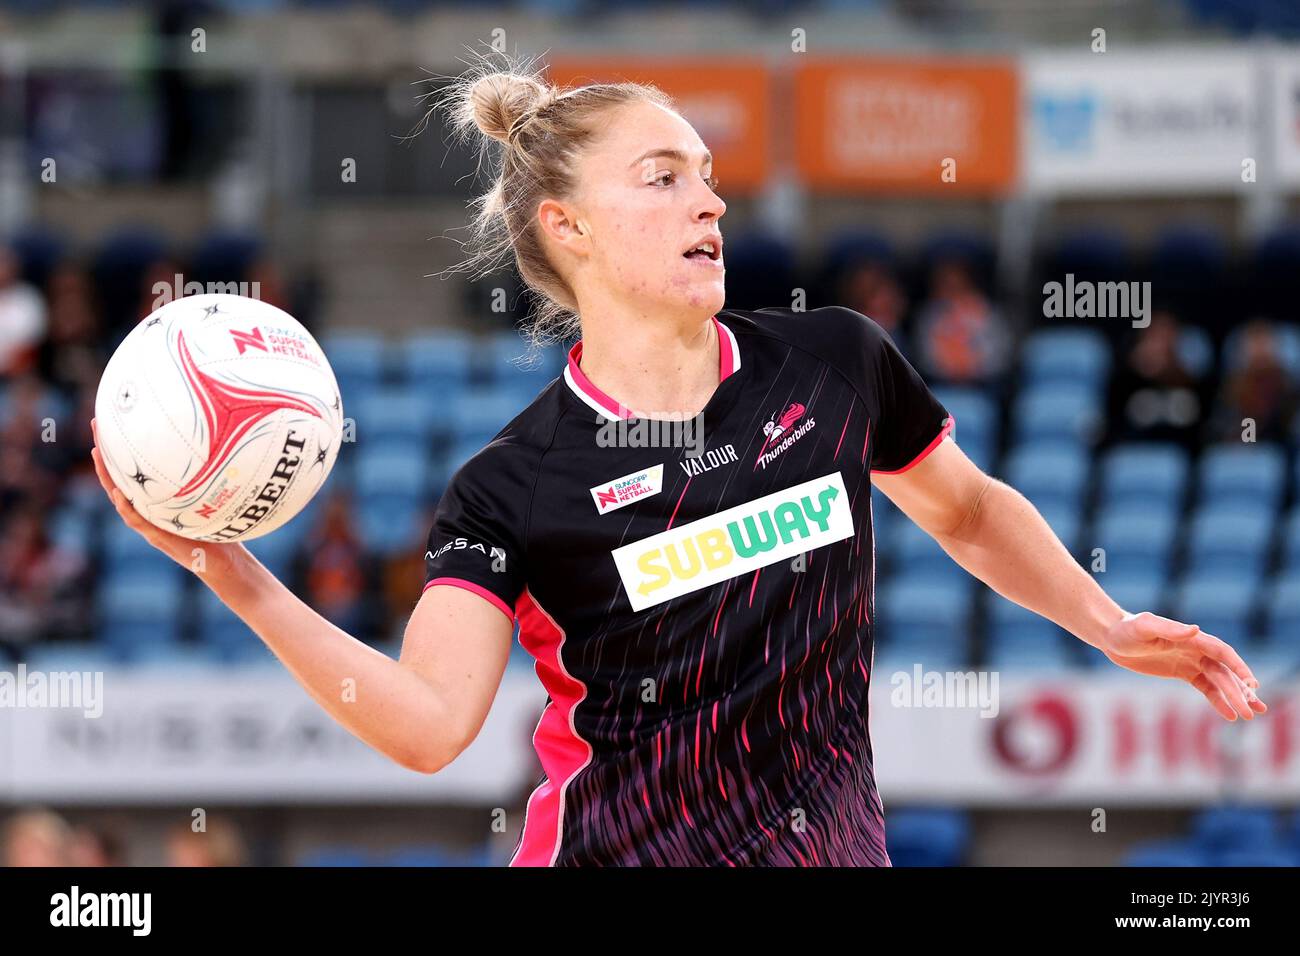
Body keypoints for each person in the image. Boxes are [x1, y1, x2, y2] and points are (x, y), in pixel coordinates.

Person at [90, 57, 1265, 868]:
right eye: (663, 176)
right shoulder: (517, 481)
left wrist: (1106, 624)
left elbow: (963, 511)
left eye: (705, 172)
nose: (708, 200)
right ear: (568, 227)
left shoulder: (834, 364)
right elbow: (429, 725)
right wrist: (237, 576)